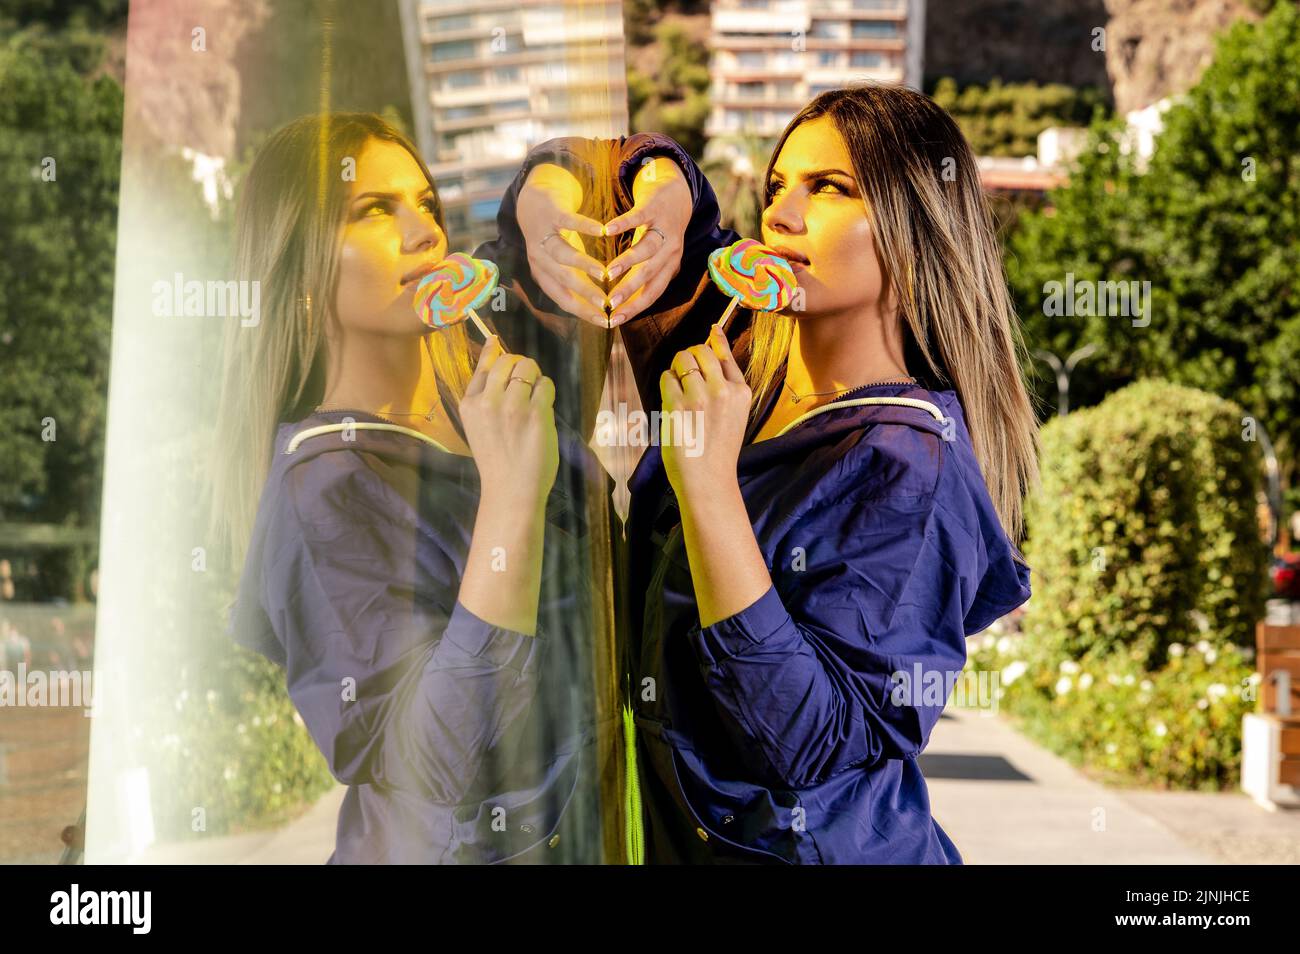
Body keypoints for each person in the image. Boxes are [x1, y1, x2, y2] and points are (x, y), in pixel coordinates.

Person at [505, 82, 1040, 863]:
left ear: (914, 226)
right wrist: (589, 197)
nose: (782, 214)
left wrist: (708, 486)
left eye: (830, 189)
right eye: (778, 186)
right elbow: (628, 176)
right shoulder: (740, 360)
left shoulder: (911, 464)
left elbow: (810, 748)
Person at [210, 112, 607, 864]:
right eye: (373, 211)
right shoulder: (322, 486)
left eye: (426, 204)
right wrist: (513, 502)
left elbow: (549, 219)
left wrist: (544, 192)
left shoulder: (475, 373)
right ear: (298, 270)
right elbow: (436, 762)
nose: (424, 232)